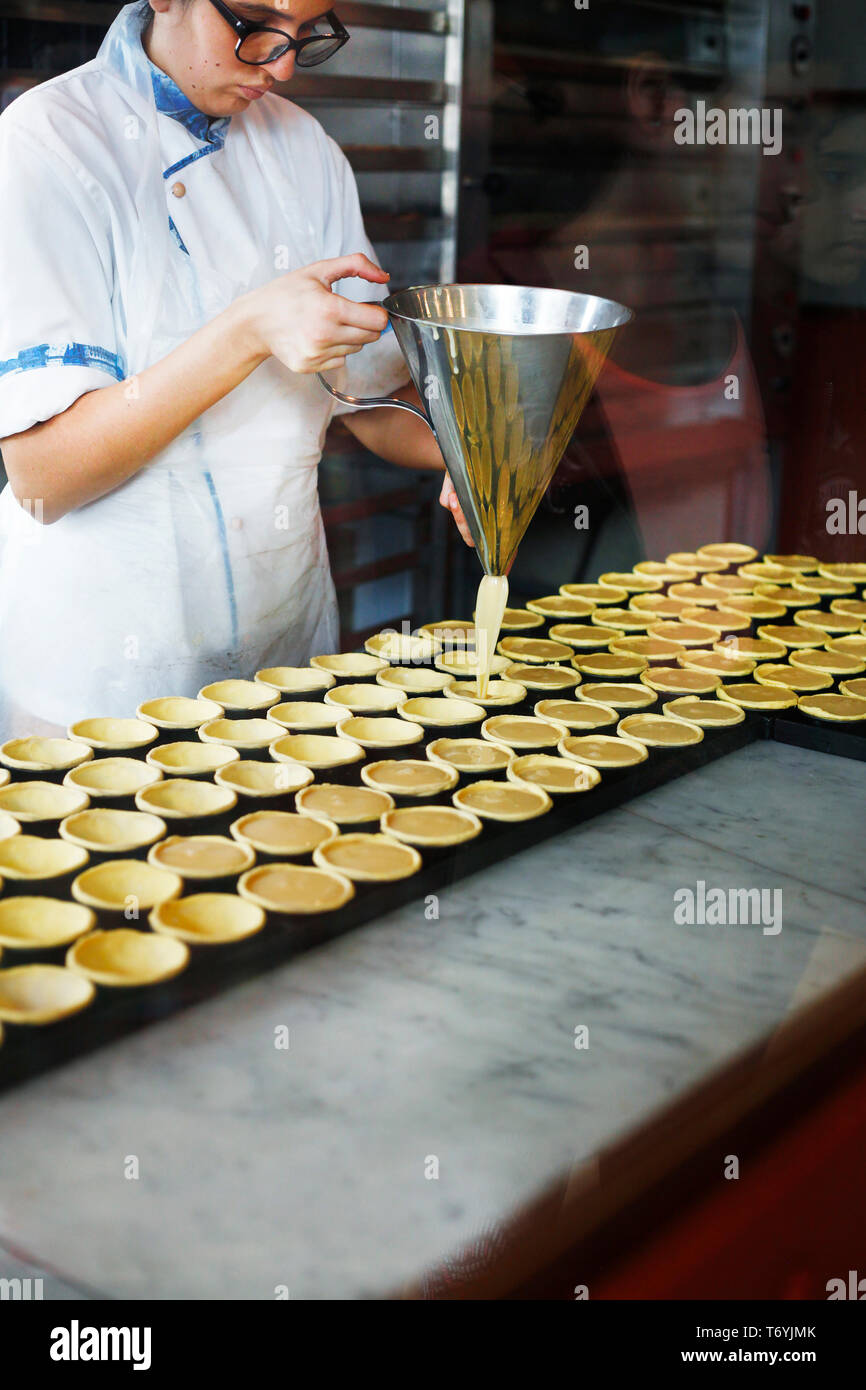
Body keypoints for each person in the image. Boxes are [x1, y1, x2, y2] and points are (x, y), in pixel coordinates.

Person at [0, 0, 469, 727]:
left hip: (282, 649)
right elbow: (45, 475)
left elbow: (368, 399)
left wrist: (477, 466)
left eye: (308, 36)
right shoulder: (51, 143)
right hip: (102, 680)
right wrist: (246, 332)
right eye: (253, 25)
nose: (280, 66)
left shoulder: (305, 149)